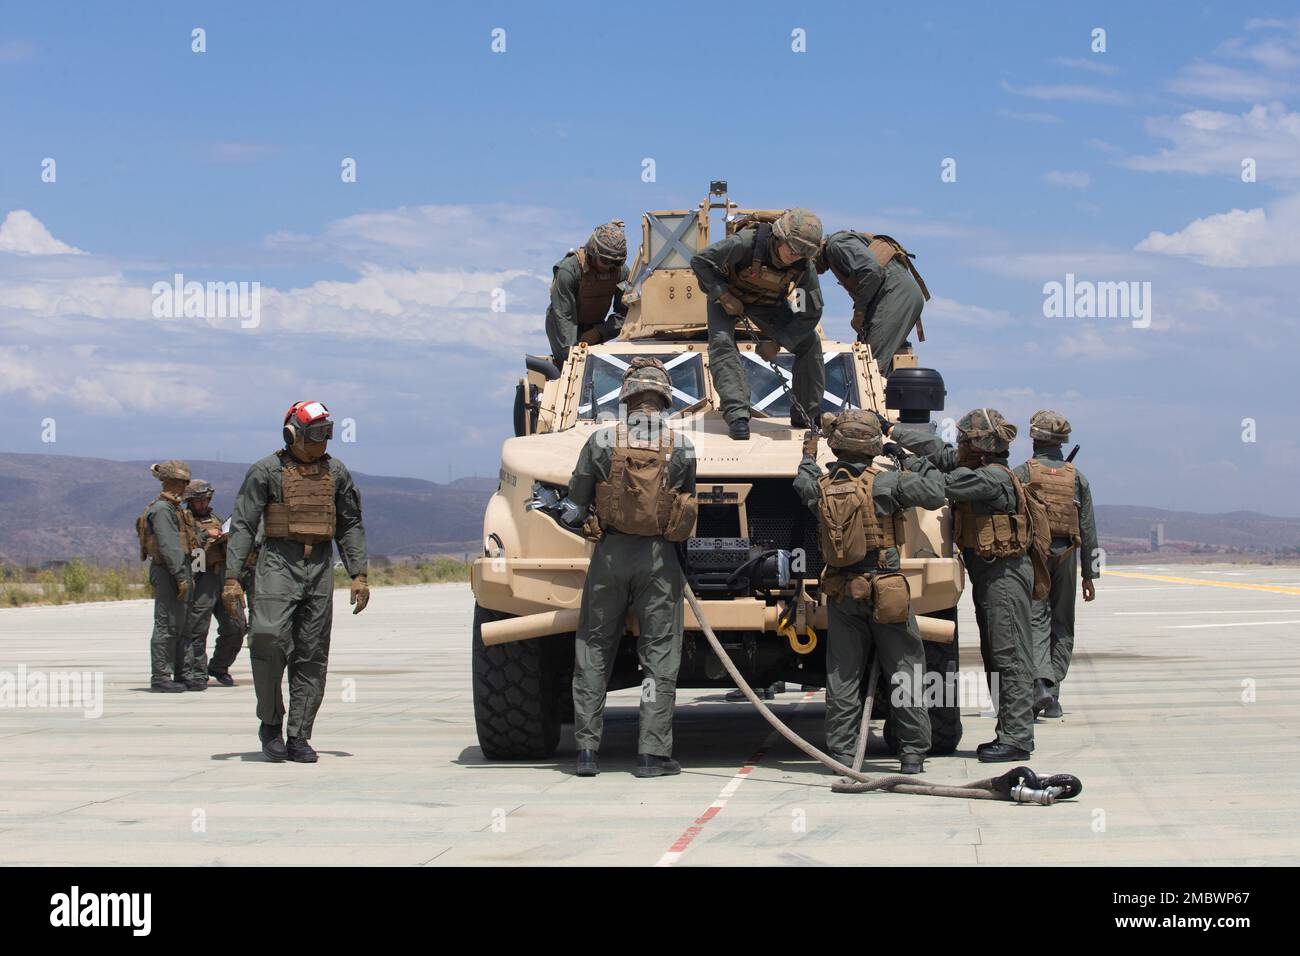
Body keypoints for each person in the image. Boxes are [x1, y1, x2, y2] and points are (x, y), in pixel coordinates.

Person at [564, 359, 697, 778]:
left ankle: (586, 751)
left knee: (593, 649)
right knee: (658, 655)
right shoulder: (682, 446)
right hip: (659, 559)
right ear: (664, 397)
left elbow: (574, 501)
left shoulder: (600, 441)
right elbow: (685, 505)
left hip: (609, 554)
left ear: (626, 396)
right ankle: (650, 754)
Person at [794, 411, 945, 773]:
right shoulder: (887, 482)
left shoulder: (821, 486)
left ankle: (843, 754)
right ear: (873, 445)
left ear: (838, 445)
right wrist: (909, 459)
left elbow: (803, 479)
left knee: (843, 674)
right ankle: (911, 754)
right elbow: (936, 491)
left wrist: (808, 454)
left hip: (842, 592)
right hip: (887, 588)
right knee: (905, 668)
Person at [222, 401, 369, 763]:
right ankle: (270, 723)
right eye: (316, 434)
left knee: (312, 653)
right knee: (268, 638)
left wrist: (358, 573)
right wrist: (232, 578)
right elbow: (242, 524)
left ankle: (299, 735)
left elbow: (350, 524)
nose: (323, 442)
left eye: (328, 434)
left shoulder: (336, 472)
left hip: (319, 564)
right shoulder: (265, 472)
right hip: (277, 561)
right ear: (293, 434)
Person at [890, 409, 1037, 762]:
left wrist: (908, 462)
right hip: (991, 576)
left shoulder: (991, 478)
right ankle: (1011, 733)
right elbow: (939, 452)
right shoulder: (981, 468)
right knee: (996, 653)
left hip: (1004, 577)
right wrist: (893, 432)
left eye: (966, 441)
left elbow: (943, 485)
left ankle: (1016, 739)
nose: (960, 447)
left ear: (982, 446)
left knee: (1008, 655)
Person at [690, 208, 825, 440]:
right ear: (779, 236)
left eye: (803, 252)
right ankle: (737, 414)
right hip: (728, 297)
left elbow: (809, 313)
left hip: (768, 304)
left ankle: (807, 413)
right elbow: (701, 261)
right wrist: (723, 295)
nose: (795, 256)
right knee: (722, 342)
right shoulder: (744, 243)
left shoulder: (803, 267)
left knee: (810, 341)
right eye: (793, 248)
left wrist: (780, 341)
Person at [1013, 410, 1098, 718]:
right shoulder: (1078, 478)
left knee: (1034, 620)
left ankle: (1040, 684)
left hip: (1032, 557)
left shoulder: (1022, 472)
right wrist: (1090, 574)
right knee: (1062, 623)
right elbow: (1088, 527)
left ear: (1034, 438)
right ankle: (1053, 694)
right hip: (1067, 556)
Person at [814, 230, 930, 374]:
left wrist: (860, 312)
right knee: (876, 358)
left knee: (871, 366)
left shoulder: (836, 245)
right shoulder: (836, 250)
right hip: (896, 295)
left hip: (895, 294)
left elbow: (872, 271)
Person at [136, 460, 198, 692]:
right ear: (172, 482)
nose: (185, 487)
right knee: (166, 624)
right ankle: (161, 676)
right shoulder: (162, 510)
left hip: (179, 569)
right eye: (182, 482)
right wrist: (181, 576)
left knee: (183, 624)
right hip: (169, 572)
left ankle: (183, 672)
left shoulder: (173, 508)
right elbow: (170, 546)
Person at [181, 480, 245, 687]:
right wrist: (204, 535)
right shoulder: (183, 520)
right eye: (197, 500)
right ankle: (197, 672)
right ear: (189, 501)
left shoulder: (215, 518)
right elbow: (182, 545)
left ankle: (219, 666)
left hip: (223, 577)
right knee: (198, 629)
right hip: (201, 579)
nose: (202, 504)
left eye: (205, 499)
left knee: (237, 625)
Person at [544, 220, 629, 365]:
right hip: (564, 325)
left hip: (596, 326)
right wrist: (573, 351)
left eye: (616, 263)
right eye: (605, 261)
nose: (610, 267)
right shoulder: (568, 271)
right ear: (593, 251)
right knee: (570, 363)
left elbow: (626, 314)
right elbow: (564, 316)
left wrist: (598, 333)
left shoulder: (621, 272)